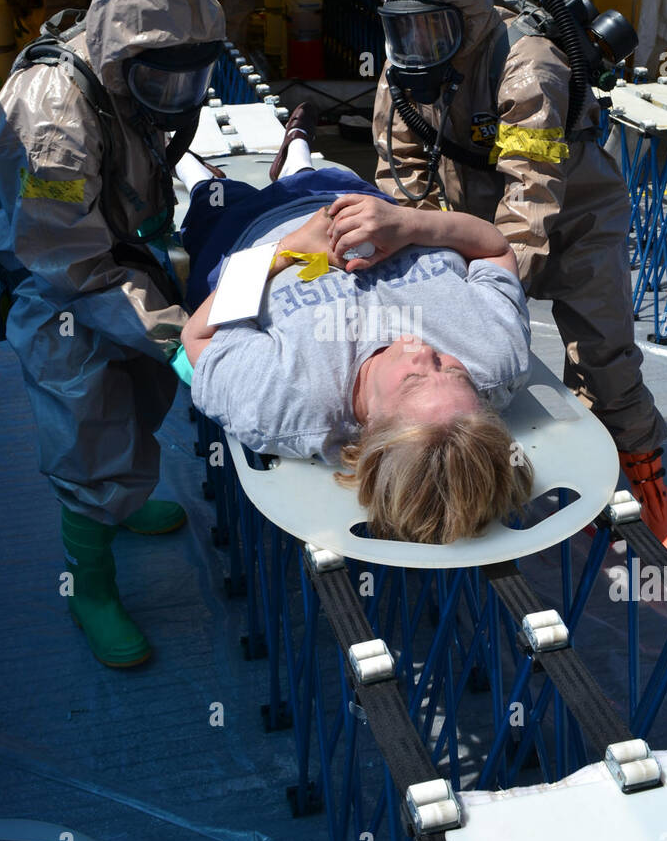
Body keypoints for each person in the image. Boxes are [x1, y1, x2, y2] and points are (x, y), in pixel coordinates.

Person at [371, 0, 667, 568]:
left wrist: (484, 305)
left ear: (466, 15)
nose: (417, 44)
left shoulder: (527, 66)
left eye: (432, 27)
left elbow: (531, 194)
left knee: (603, 353)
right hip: (468, 218)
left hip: (575, 217)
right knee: (455, 357)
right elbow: (400, 179)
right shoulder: (404, 72)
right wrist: (426, 274)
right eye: (403, 28)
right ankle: (507, 469)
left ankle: (645, 476)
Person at [0, 0, 226, 668]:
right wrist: (176, 335)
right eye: (164, 77)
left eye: (193, 78)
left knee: (141, 394)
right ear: (121, 51)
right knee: (87, 419)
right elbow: (69, 256)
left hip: (122, 256)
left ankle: (120, 501)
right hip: (62, 282)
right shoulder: (53, 116)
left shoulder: (132, 75)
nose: (178, 96)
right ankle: (90, 583)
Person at [178, 114, 533, 545]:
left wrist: (287, 249)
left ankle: (190, 166)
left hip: (249, 231)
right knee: (315, 173)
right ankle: (296, 154)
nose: (423, 351)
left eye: (414, 379)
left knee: (213, 196)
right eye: (454, 372)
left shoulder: (289, 403)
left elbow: (199, 336)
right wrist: (412, 225)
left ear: (368, 434)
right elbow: (495, 250)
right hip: (359, 201)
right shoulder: (496, 359)